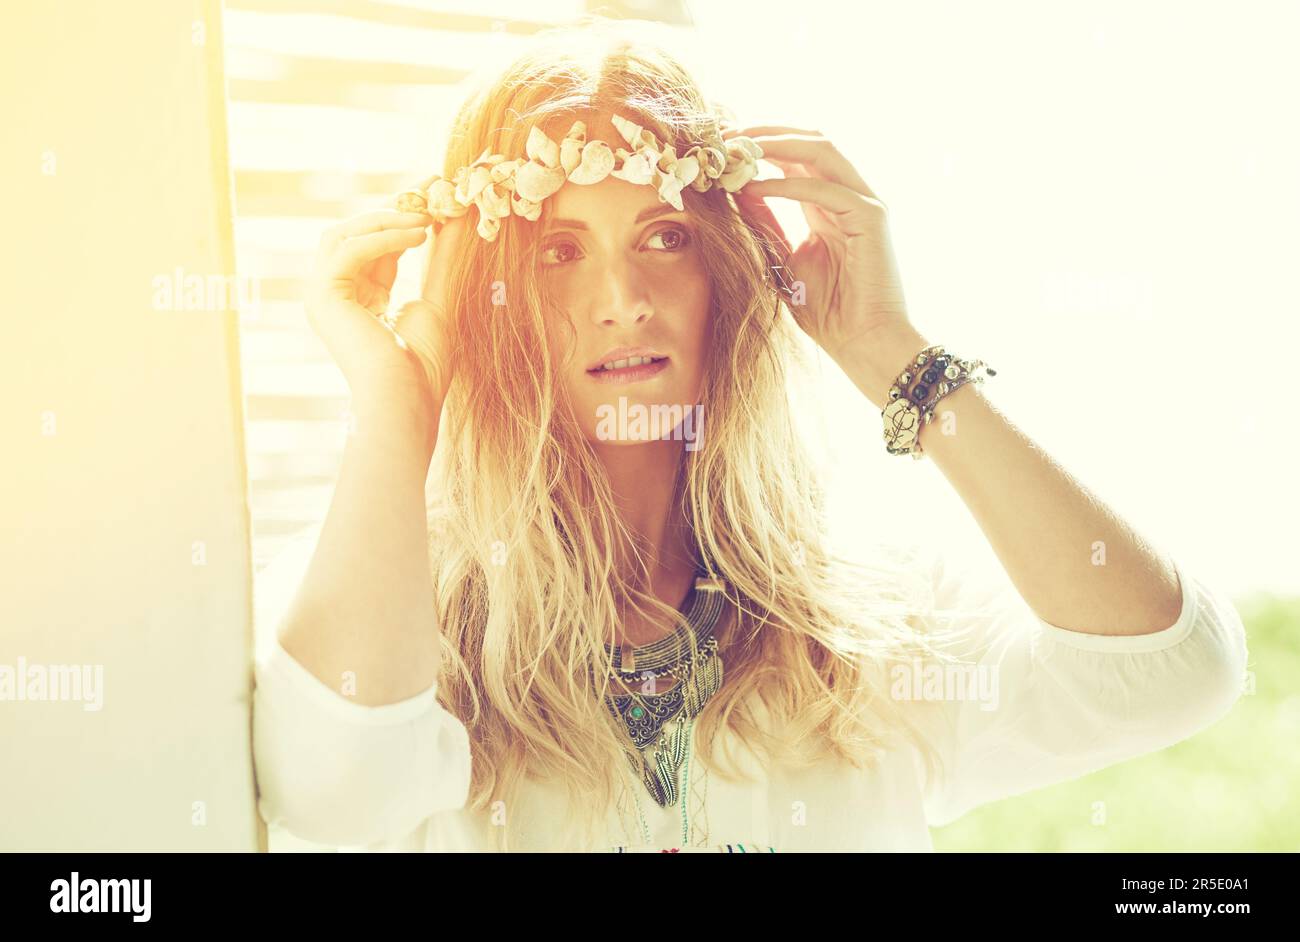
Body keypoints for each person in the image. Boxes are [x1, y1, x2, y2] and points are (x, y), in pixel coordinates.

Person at [251, 18, 1248, 852]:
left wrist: (885, 348)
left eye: (664, 237)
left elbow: (1170, 672)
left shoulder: (871, 617)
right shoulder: (386, 602)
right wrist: (398, 400)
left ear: (726, 269)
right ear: (491, 293)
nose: (621, 300)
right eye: (557, 251)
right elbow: (330, 792)